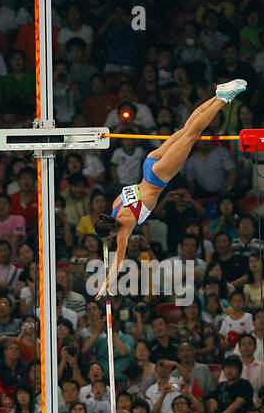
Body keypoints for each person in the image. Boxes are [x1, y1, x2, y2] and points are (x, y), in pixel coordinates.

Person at [95, 80, 247, 296]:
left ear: (110, 232)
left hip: (158, 177)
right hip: (149, 165)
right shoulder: (115, 205)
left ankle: (223, 99)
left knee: (192, 135)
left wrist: (105, 285)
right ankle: (217, 96)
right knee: (187, 129)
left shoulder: (125, 224)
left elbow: (119, 259)